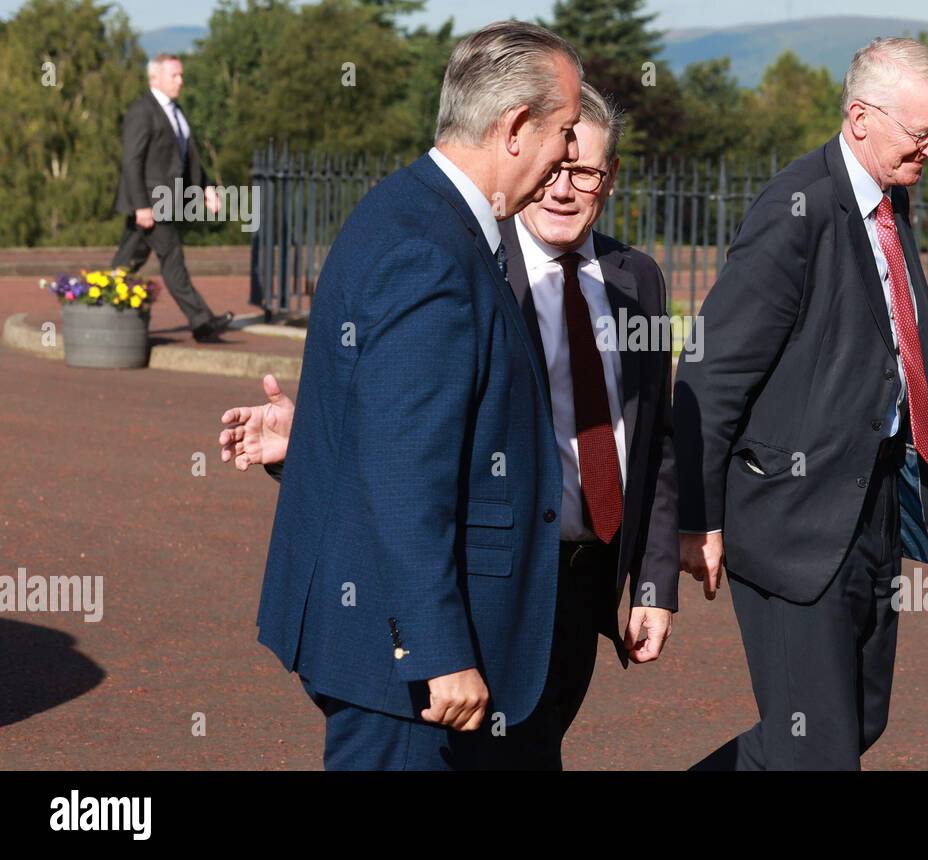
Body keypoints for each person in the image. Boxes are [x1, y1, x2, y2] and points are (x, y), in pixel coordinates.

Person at [223, 83, 679, 768]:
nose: (561, 186)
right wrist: (315, 441)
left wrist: (652, 579)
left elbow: (654, 441)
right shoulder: (466, 261)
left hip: (574, 594)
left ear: (609, 180)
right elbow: (406, 452)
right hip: (475, 598)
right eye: (555, 163)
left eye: (582, 171)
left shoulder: (634, 279)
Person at [252, 20, 581, 770]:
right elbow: (404, 472)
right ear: (516, 127)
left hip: (391, 647)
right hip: (404, 670)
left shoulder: (416, 213)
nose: (568, 154)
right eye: (564, 131)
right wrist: (434, 648)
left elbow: (384, 424)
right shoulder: (428, 250)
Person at [674, 37, 928, 770]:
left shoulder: (889, 200)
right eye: (920, 133)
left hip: (872, 510)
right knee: (819, 751)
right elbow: (711, 370)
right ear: (861, 117)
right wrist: (696, 516)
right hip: (791, 520)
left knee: (852, 724)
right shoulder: (796, 207)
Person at [111, 53, 233, 341]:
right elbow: (132, 161)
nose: (181, 80)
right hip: (152, 204)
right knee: (172, 259)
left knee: (128, 259)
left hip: (166, 202)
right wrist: (141, 205)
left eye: (181, 75)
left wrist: (206, 189)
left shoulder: (175, 111)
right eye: (174, 75)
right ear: (155, 78)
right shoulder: (143, 110)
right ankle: (201, 321)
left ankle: (97, 304)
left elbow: (189, 157)